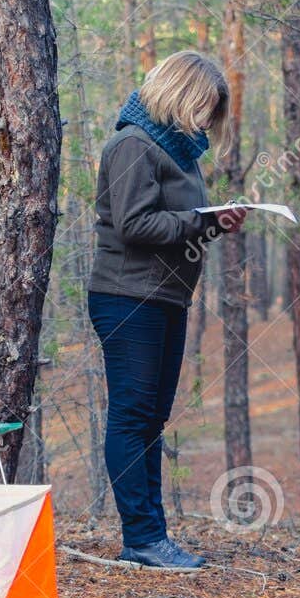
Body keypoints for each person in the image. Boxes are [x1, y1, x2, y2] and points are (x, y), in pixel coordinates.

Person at [88, 51, 246, 569]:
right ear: (177, 93)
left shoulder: (177, 151)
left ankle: (151, 536)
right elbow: (136, 225)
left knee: (151, 420)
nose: (205, 119)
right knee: (133, 417)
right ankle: (142, 539)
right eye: (201, 105)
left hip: (164, 297)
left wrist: (212, 220)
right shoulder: (132, 144)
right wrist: (201, 221)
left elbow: (172, 219)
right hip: (128, 298)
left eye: (211, 110)